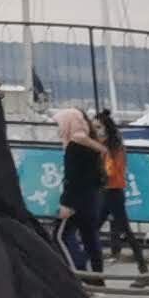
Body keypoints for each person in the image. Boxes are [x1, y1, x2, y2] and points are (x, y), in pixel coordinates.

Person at [92, 107, 149, 284]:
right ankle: (90, 270)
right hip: (108, 192)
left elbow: (110, 172)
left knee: (125, 232)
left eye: (97, 127)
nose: (94, 131)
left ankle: (144, 271)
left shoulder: (112, 148)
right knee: (93, 230)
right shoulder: (110, 146)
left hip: (113, 193)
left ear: (105, 128)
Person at [55, 105, 106, 274]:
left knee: (60, 236)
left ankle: (79, 273)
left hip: (76, 201)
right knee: (90, 238)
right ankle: (98, 279)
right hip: (92, 198)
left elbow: (72, 177)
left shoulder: (73, 146)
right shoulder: (93, 145)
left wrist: (66, 203)